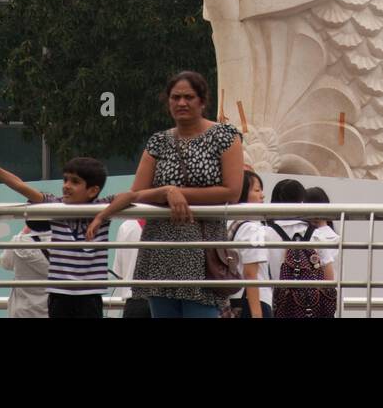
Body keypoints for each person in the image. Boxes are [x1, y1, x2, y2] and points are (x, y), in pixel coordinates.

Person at [88, 70, 244, 318]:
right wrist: (166, 191)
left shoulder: (225, 136)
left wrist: (180, 194)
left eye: (189, 97)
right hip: (160, 247)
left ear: (202, 101)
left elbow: (232, 192)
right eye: (175, 97)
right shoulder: (158, 141)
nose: (181, 103)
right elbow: (137, 192)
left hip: (201, 249)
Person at [0, 156, 128, 319]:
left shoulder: (101, 207)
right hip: (59, 294)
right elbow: (21, 186)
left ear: (93, 190)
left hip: (90, 294)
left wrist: (100, 217)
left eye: (75, 182)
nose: (66, 186)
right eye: (65, 180)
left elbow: (130, 196)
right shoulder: (56, 206)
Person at [259, 178, 340, 318]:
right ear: (302, 203)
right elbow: (329, 279)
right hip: (308, 309)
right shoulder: (317, 235)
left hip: (274, 306)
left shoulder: (264, 234)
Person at [233, 170, 271, 319]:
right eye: (257, 190)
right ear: (243, 193)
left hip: (232, 300)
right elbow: (250, 274)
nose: (262, 195)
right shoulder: (253, 229)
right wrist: (257, 314)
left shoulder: (229, 223)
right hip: (253, 301)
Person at [0, 226, 50, 319]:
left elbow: (4, 262)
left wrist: (23, 232)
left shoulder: (17, 242)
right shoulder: (60, 243)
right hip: (48, 309)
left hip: (21, 310)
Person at [112, 216, 148, 318]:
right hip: (163, 302)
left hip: (133, 300)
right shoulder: (167, 226)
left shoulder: (126, 226)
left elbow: (120, 273)